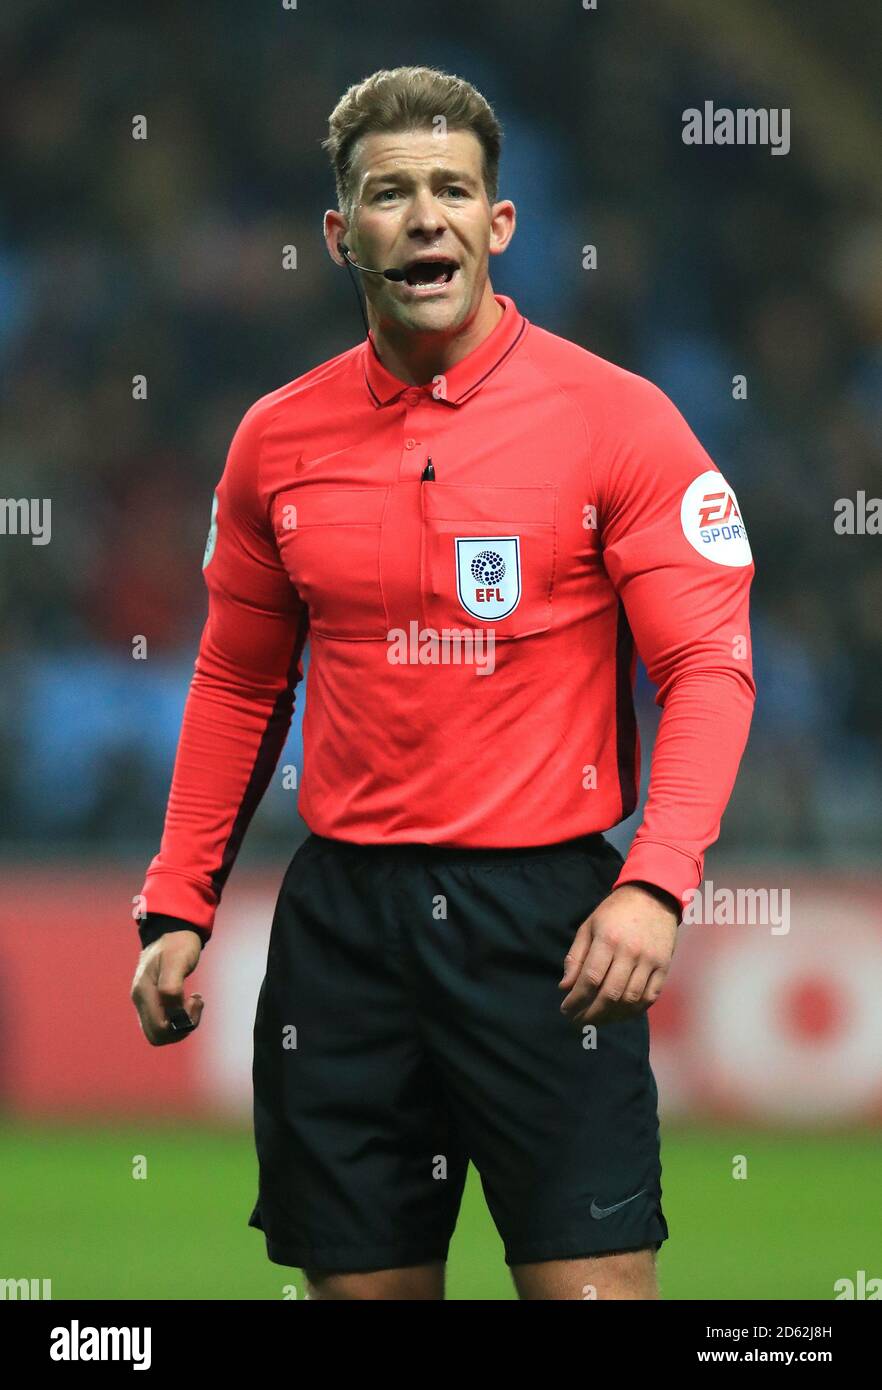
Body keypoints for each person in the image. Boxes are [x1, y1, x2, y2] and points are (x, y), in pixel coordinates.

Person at [130, 65, 755, 1301]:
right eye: (391, 193)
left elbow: (709, 668)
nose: (426, 217)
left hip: (549, 927)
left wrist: (655, 884)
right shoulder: (274, 440)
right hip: (344, 935)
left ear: (498, 223)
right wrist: (177, 900)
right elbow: (236, 682)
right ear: (341, 231)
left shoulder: (620, 423)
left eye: (453, 191)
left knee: (594, 1291)